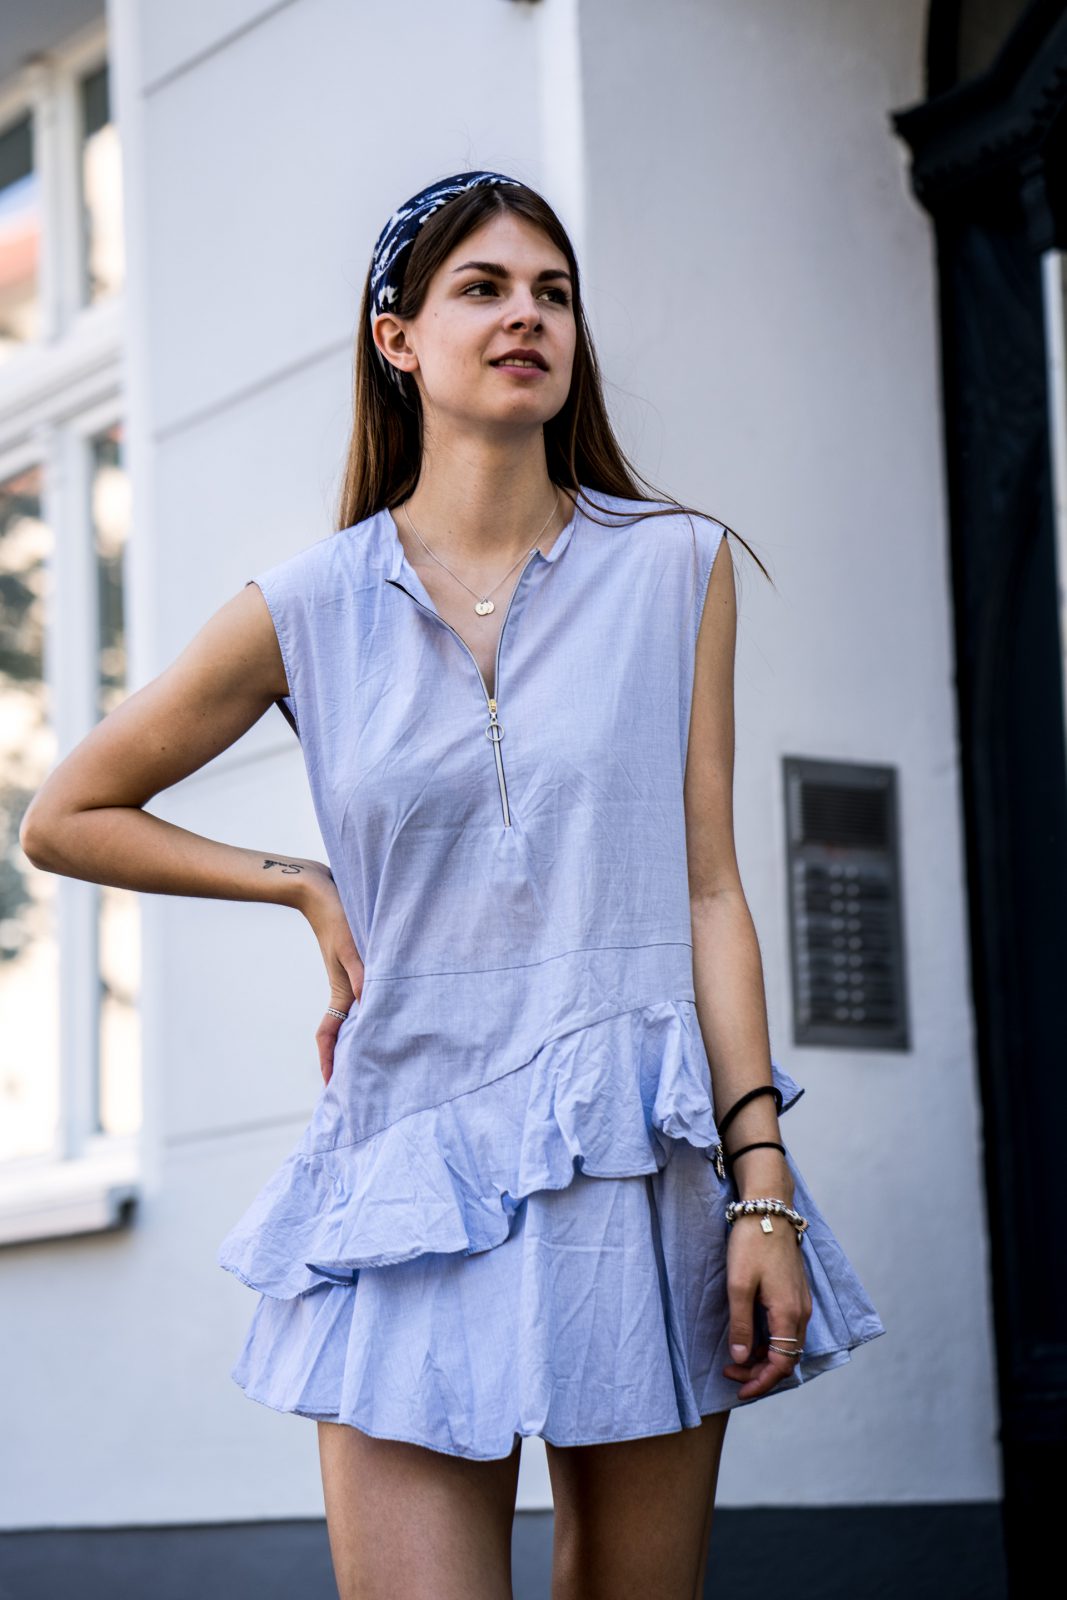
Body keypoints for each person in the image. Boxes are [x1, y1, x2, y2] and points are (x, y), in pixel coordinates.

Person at [20, 170, 885, 1600]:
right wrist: (299, 884)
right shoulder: (308, 605)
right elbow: (68, 812)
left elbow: (711, 895)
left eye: (552, 292)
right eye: (482, 288)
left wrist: (762, 1192)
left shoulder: (677, 568)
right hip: (403, 1164)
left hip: (635, 1160)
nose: (527, 315)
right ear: (397, 337)